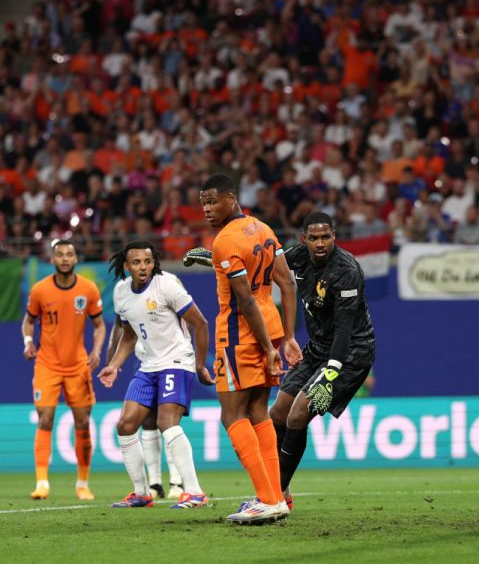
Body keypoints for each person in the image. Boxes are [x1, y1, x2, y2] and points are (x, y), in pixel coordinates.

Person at [186, 212, 375, 510]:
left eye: (325, 237)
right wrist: (215, 258)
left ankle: (277, 492)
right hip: (318, 349)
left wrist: (330, 373)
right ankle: (277, 494)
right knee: (276, 414)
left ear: (335, 237)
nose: (320, 243)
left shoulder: (347, 270)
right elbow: (256, 266)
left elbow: (345, 329)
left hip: (350, 354)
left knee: (298, 415)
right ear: (305, 240)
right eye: (313, 238)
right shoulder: (299, 256)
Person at [198, 173, 301, 524]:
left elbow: (243, 300)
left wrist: (267, 347)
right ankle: (276, 497)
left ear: (231, 197)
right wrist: (286, 338)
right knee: (259, 410)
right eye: (203, 203)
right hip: (269, 326)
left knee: (231, 414)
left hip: (239, 333)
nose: (207, 209)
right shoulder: (263, 229)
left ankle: (267, 498)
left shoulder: (224, 241)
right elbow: (287, 284)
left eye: (212, 201)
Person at [98, 241, 212, 508]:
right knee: (126, 424)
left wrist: (199, 365)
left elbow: (200, 323)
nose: (143, 267)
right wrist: (114, 365)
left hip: (176, 360)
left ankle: (194, 491)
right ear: (126, 266)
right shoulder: (121, 292)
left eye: (147, 262)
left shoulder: (167, 285)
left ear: (154, 263)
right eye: (136, 262)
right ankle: (141, 493)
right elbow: (128, 334)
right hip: (148, 366)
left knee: (167, 422)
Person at [22, 239, 106, 500]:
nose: (65, 258)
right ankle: (42, 483)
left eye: (70, 254)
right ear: (52, 259)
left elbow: (100, 325)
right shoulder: (39, 290)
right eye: (60, 255)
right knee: (45, 418)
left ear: (76, 258)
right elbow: (28, 321)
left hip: (78, 365)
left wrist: (96, 351)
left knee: (82, 422)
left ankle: (82, 484)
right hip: (47, 364)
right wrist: (27, 342)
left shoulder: (88, 289)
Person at [106, 318, 187, 500]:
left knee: (168, 421)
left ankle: (177, 482)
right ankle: (154, 484)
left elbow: (189, 319)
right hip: (145, 360)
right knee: (148, 422)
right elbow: (121, 326)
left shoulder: (170, 288)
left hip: (171, 360)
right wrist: (112, 360)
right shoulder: (124, 290)